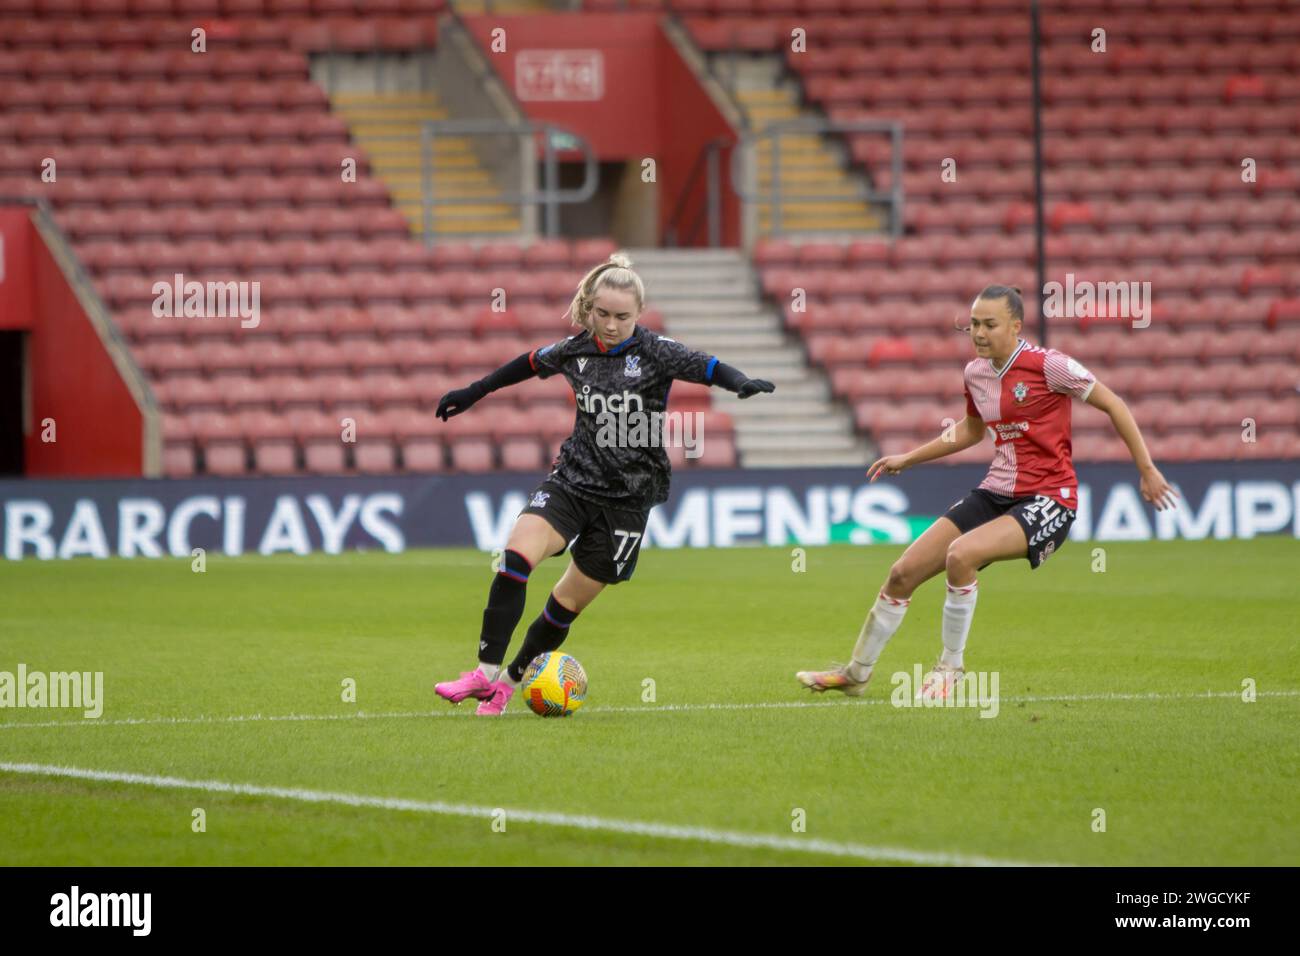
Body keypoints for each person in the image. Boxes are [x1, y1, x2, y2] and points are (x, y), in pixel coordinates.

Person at [797, 284, 1178, 700]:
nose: (978, 332)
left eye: (989, 324)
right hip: (995, 491)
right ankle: (856, 675)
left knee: (962, 555)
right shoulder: (975, 373)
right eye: (974, 324)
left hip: (1049, 499)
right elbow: (972, 431)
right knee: (902, 573)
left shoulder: (1050, 366)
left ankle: (950, 669)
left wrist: (1146, 468)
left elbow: (1114, 404)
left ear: (1015, 326)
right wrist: (910, 458)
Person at [434, 252, 775, 715]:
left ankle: (508, 684)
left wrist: (740, 383)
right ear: (588, 308)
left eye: (622, 316)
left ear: (638, 315)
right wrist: (474, 391)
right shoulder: (575, 350)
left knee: (565, 604)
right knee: (515, 556)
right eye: (602, 314)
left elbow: (706, 365)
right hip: (572, 482)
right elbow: (527, 363)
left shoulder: (656, 351)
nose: (611, 325)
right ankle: (485, 672)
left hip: (628, 501)